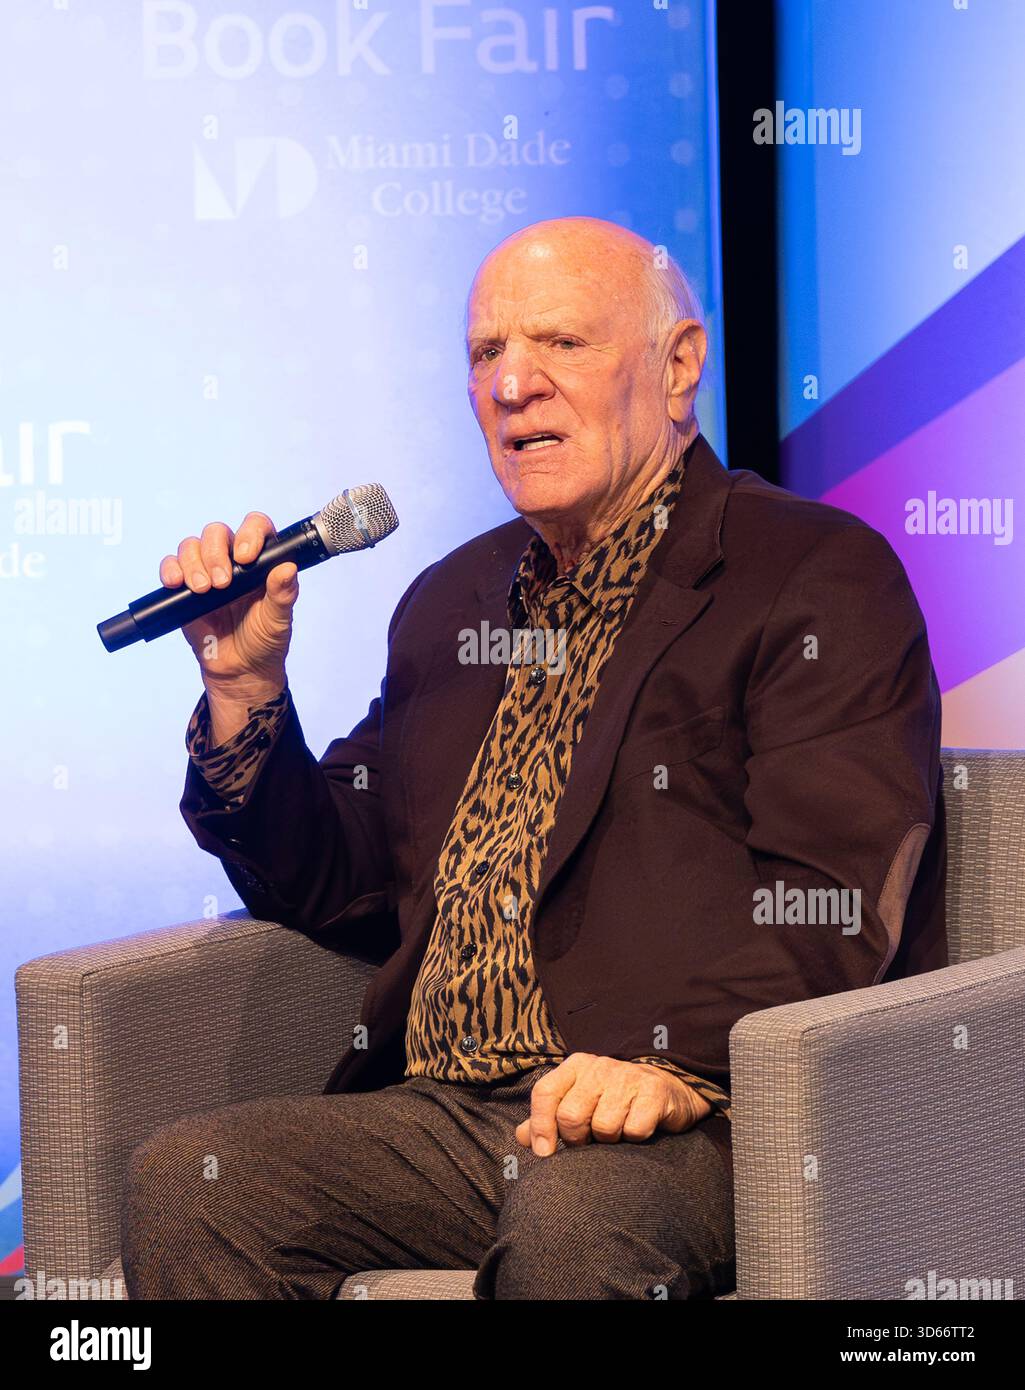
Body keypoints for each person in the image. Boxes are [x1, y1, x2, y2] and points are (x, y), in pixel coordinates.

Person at [120, 216, 946, 1300]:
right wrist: (244, 691)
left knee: (574, 1219)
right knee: (188, 1183)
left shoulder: (811, 575)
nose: (514, 384)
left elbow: (833, 888)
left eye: (559, 343)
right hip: (445, 1112)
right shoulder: (450, 601)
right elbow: (343, 876)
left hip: (691, 1115)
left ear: (679, 365)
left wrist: (671, 1061)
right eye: (486, 354)